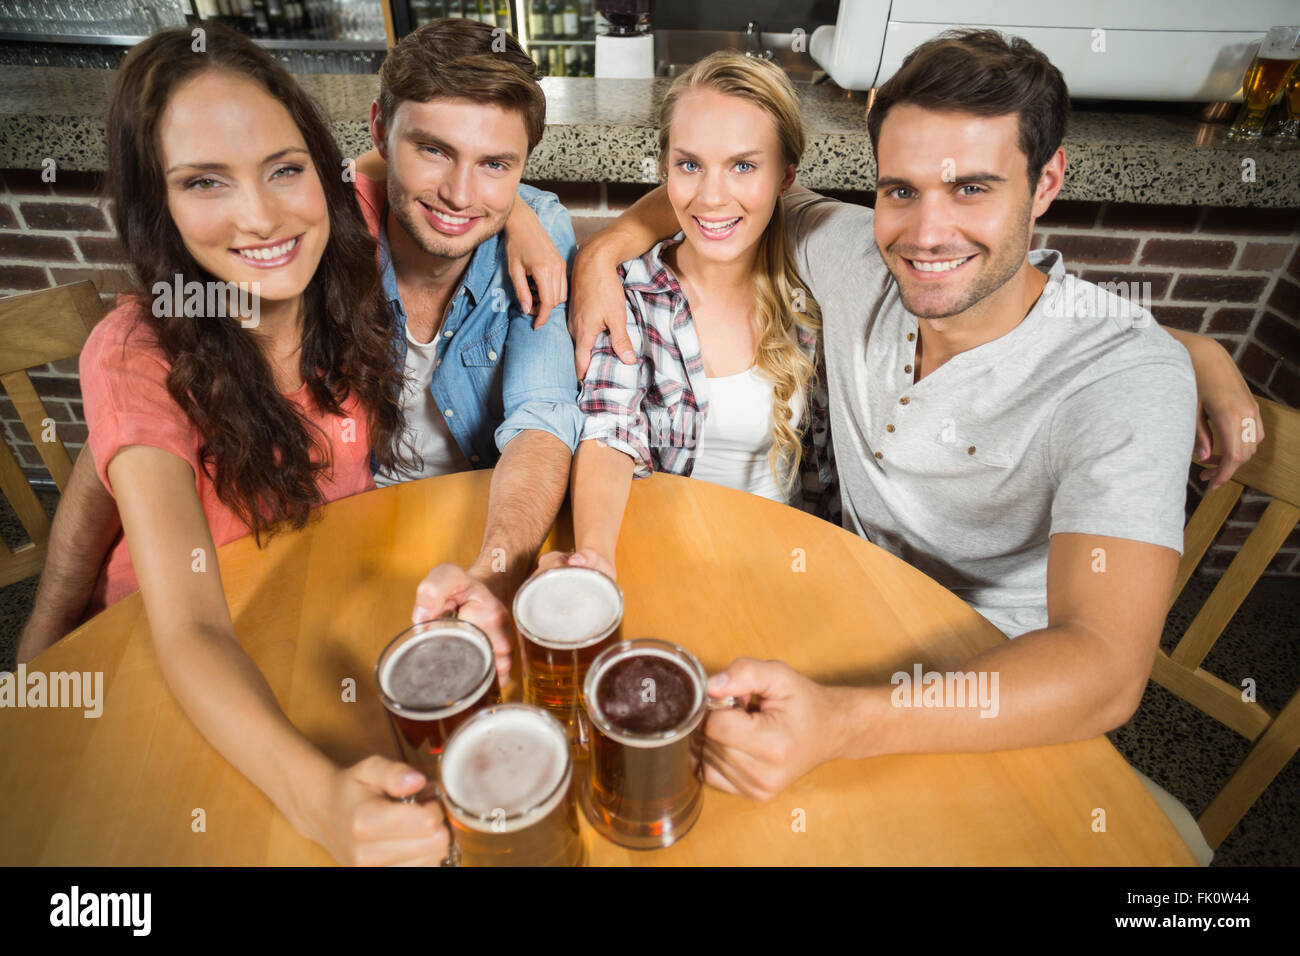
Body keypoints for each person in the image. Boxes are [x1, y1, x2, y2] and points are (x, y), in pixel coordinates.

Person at [568, 29, 1263, 834]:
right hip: (825, 625)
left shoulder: (1127, 378)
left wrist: (1176, 356)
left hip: (992, 698)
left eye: (971, 188)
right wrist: (606, 251)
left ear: (1047, 182)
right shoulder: (849, 254)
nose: (926, 235)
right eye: (900, 191)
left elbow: (1105, 670)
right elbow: (727, 196)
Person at [17, 19, 578, 666]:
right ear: (378, 132)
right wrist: (42, 639)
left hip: (399, 551)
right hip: (237, 594)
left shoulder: (526, 245)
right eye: (432, 151)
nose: (458, 192)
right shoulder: (317, 239)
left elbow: (543, 418)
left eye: (495, 166)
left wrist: (494, 572)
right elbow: (130, 418)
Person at [54, 25, 449, 865]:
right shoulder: (139, 353)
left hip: (311, 616)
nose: (264, 216)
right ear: (156, 208)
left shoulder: (345, 232)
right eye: (204, 182)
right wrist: (318, 805)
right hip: (175, 672)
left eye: (284, 168)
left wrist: (534, 225)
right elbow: (190, 628)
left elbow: (440, 172)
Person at [539, 52, 834, 582]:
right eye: (690, 164)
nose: (712, 197)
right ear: (665, 170)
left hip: (784, 563)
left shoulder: (815, 293)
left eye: (743, 165)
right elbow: (609, 432)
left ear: (786, 176)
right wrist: (597, 557)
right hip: (665, 559)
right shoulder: (632, 291)